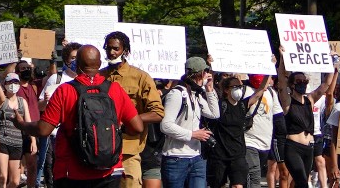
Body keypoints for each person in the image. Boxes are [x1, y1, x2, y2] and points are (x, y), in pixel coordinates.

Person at [23, 46, 143, 188]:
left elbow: (43, 130)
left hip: (71, 172)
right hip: (109, 170)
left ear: (77, 64)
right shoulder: (115, 89)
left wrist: (21, 124)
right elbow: (137, 127)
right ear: (99, 64)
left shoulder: (65, 90)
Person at [96, 36, 165, 188]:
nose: (111, 52)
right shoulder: (97, 77)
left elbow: (158, 112)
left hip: (128, 149)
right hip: (99, 150)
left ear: (125, 50)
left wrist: (129, 120)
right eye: (108, 48)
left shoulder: (140, 77)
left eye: (116, 48)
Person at [159, 60, 218, 188]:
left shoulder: (196, 94)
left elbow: (214, 114)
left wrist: (209, 89)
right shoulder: (177, 93)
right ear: (199, 73)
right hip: (176, 158)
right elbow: (165, 125)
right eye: (206, 72)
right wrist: (192, 134)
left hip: (197, 157)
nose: (208, 75)